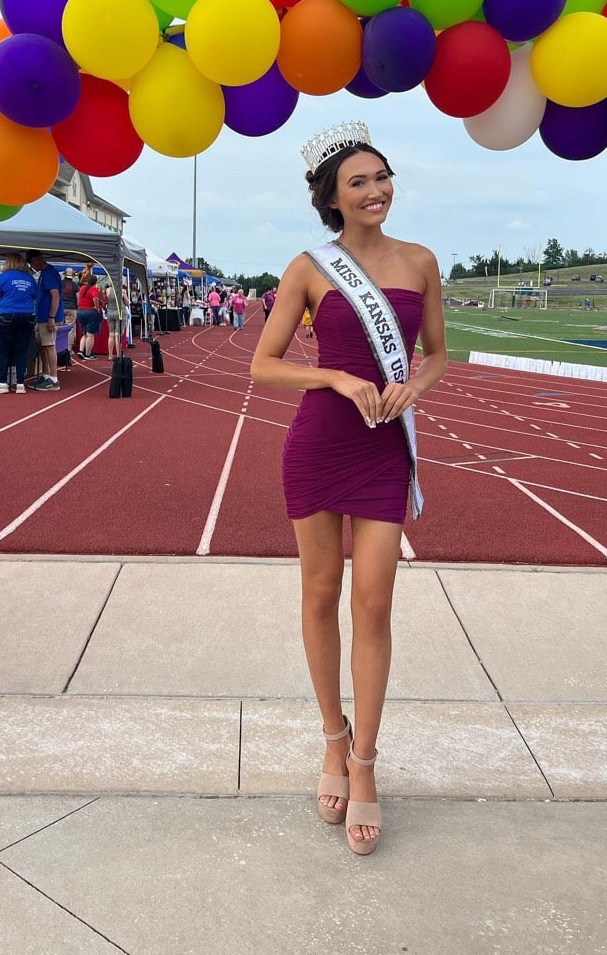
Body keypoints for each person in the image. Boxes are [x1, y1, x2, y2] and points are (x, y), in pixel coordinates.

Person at [250, 121, 446, 856]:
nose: (376, 190)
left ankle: (366, 762)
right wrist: (332, 374)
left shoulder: (421, 261)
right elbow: (264, 365)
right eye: (359, 181)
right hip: (320, 442)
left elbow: (436, 358)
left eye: (382, 177)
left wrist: (411, 389)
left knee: (375, 602)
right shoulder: (310, 267)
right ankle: (333, 740)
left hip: (383, 449)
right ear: (332, 197)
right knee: (319, 594)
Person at [0, 253, 36, 394]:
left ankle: (3, 383)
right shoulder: (30, 279)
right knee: (21, 350)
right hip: (27, 315)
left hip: (7, 314)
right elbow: (34, 297)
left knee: (3, 350)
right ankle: (20, 384)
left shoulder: (4, 277)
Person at [27, 250, 63, 391]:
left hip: (48, 316)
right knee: (43, 347)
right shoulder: (45, 273)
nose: (32, 266)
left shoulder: (48, 273)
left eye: (32, 262)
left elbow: (55, 296)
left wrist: (51, 317)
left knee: (49, 346)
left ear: (38, 259)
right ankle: (47, 375)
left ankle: (53, 379)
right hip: (42, 316)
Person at [76, 273, 102, 359]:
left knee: (84, 333)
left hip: (80, 311)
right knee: (90, 334)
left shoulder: (82, 288)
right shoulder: (94, 289)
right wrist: (97, 307)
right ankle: (88, 353)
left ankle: (81, 350)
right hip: (90, 312)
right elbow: (95, 298)